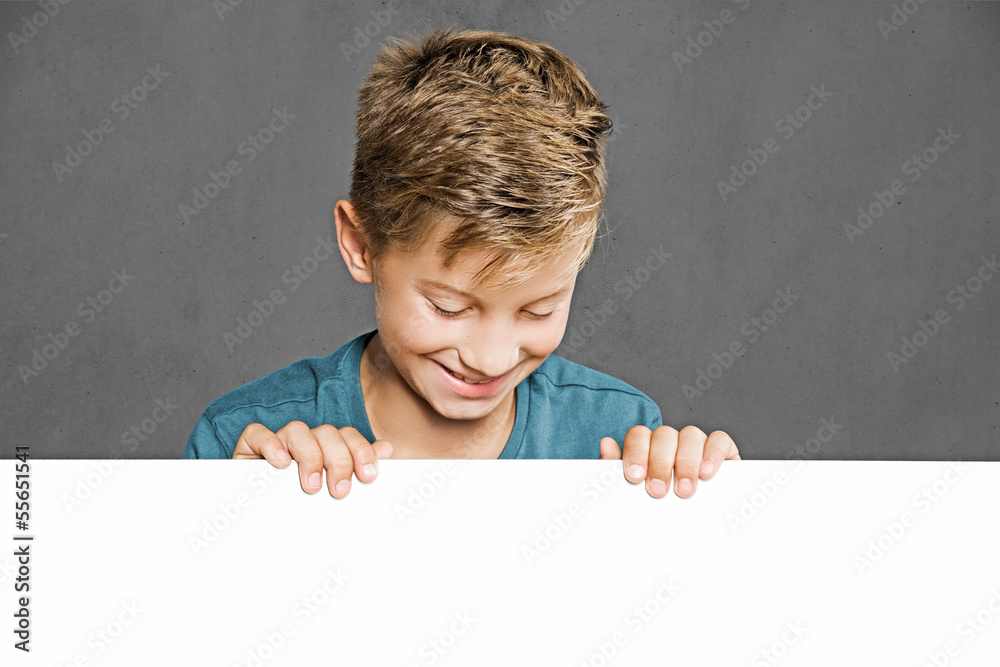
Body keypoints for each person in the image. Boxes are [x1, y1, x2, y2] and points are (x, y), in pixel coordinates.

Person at [182, 27, 740, 498]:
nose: (491, 358)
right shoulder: (245, 441)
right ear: (361, 245)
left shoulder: (618, 438)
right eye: (449, 307)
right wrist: (240, 513)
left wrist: (719, 515)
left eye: (539, 310)